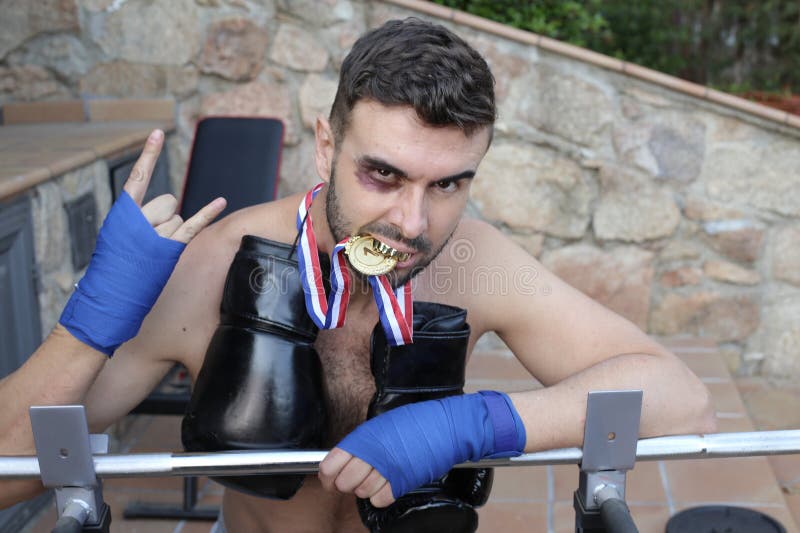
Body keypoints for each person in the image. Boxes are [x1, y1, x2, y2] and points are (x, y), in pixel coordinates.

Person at [0, 17, 715, 533]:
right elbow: (6, 475)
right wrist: (89, 322)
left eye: (447, 184)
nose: (412, 222)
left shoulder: (474, 261)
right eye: (383, 174)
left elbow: (683, 402)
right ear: (326, 146)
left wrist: (477, 423)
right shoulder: (213, 265)